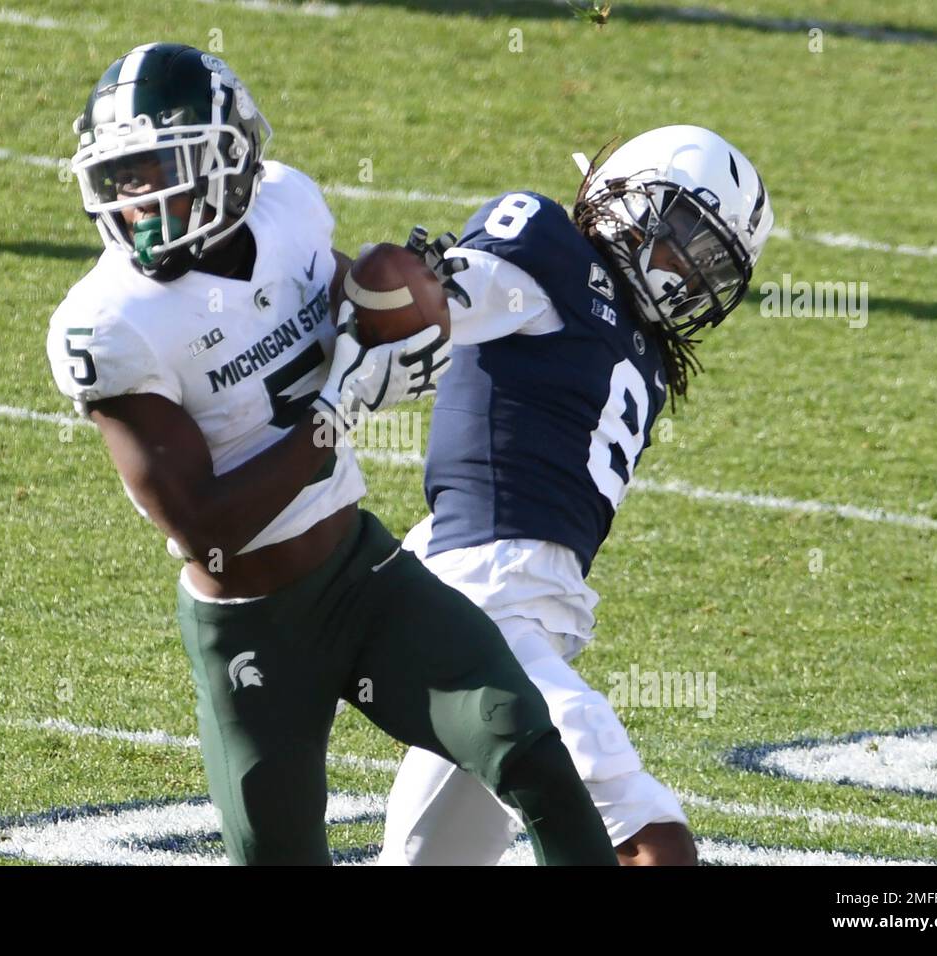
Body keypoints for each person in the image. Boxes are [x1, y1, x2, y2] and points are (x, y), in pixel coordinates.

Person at [45, 42, 617, 865]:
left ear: (231, 159)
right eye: (124, 176)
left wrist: (400, 327)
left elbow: (355, 306)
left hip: (362, 577)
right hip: (250, 628)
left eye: (158, 168)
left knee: (525, 742)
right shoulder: (109, 322)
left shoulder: (288, 210)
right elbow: (208, 525)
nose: (140, 199)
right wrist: (337, 407)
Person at [380, 125, 774, 865]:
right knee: (651, 840)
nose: (686, 268)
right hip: (487, 600)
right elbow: (447, 299)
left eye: (712, 261)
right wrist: (415, 294)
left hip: (516, 607)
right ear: (627, 191)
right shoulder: (552, 249)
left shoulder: (642, 352)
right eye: (684, 232)